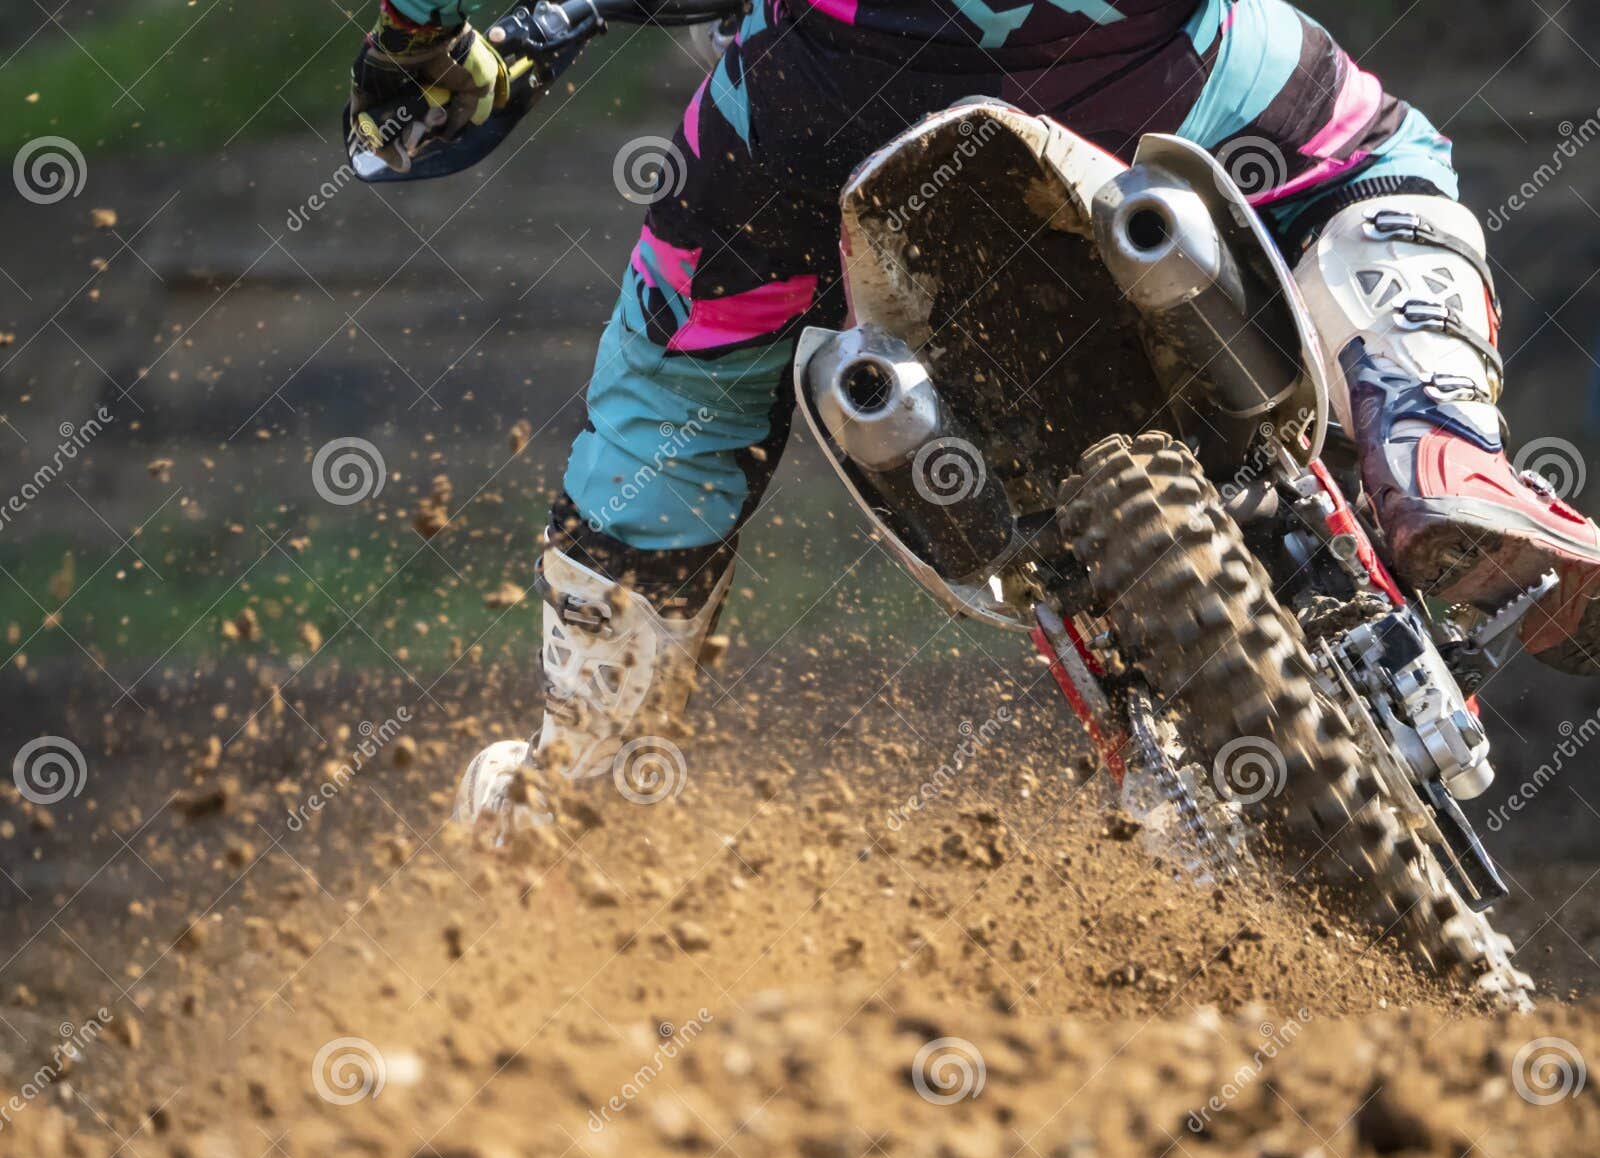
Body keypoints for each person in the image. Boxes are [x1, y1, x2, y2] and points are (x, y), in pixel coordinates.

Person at [349, 0, 1600, 838]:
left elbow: (437, 97)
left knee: (678, 374)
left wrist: (449, 40)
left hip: (810, 107)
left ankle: (587, 773)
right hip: (1137, 49)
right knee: (1368, 160)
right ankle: (1434, 440)